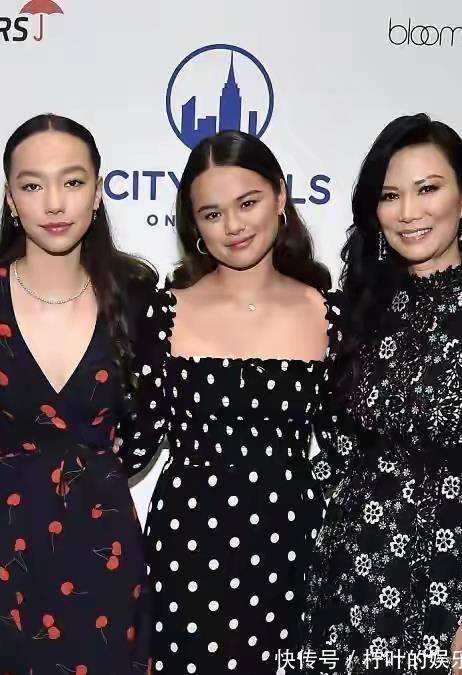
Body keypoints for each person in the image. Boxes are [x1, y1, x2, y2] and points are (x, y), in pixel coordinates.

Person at [118, 130, 336, 674]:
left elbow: (347, 452)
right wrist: (31, 473)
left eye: (248, 203)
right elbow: (130, 445)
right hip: (188, 547)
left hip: (294, 547)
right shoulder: (164, 313)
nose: (233, 226)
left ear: (280, 197)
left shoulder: (329, 313)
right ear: (194, 226)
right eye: (212, 214)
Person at [0, 114, 154, 674]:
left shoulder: (137, 295)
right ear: (11, 199)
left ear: (98, 191)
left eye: (73, 181)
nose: (55, 203)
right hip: (6, 541)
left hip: (105, 538)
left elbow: (146, 427)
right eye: (33, 185)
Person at [303, 114, 462, 674]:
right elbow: (336, 453)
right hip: (345, 576)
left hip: (450, 583)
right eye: (390, 196)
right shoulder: (359, 310)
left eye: (428, 189)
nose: (409, 212)